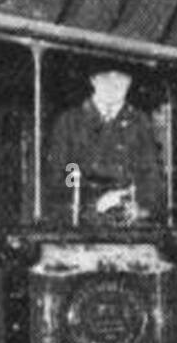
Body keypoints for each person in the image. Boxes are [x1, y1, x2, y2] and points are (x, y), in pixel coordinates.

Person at [45, 65, 164, 227]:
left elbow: (151, 175)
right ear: (93, 80)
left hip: (130, 225)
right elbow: (64, 176)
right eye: (106, 76)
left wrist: (141, 208)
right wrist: (95, 204)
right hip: (80, 226)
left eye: (122, 77)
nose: (114, 83)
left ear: (130, 82)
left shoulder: (140, 123)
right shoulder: (70, 122)